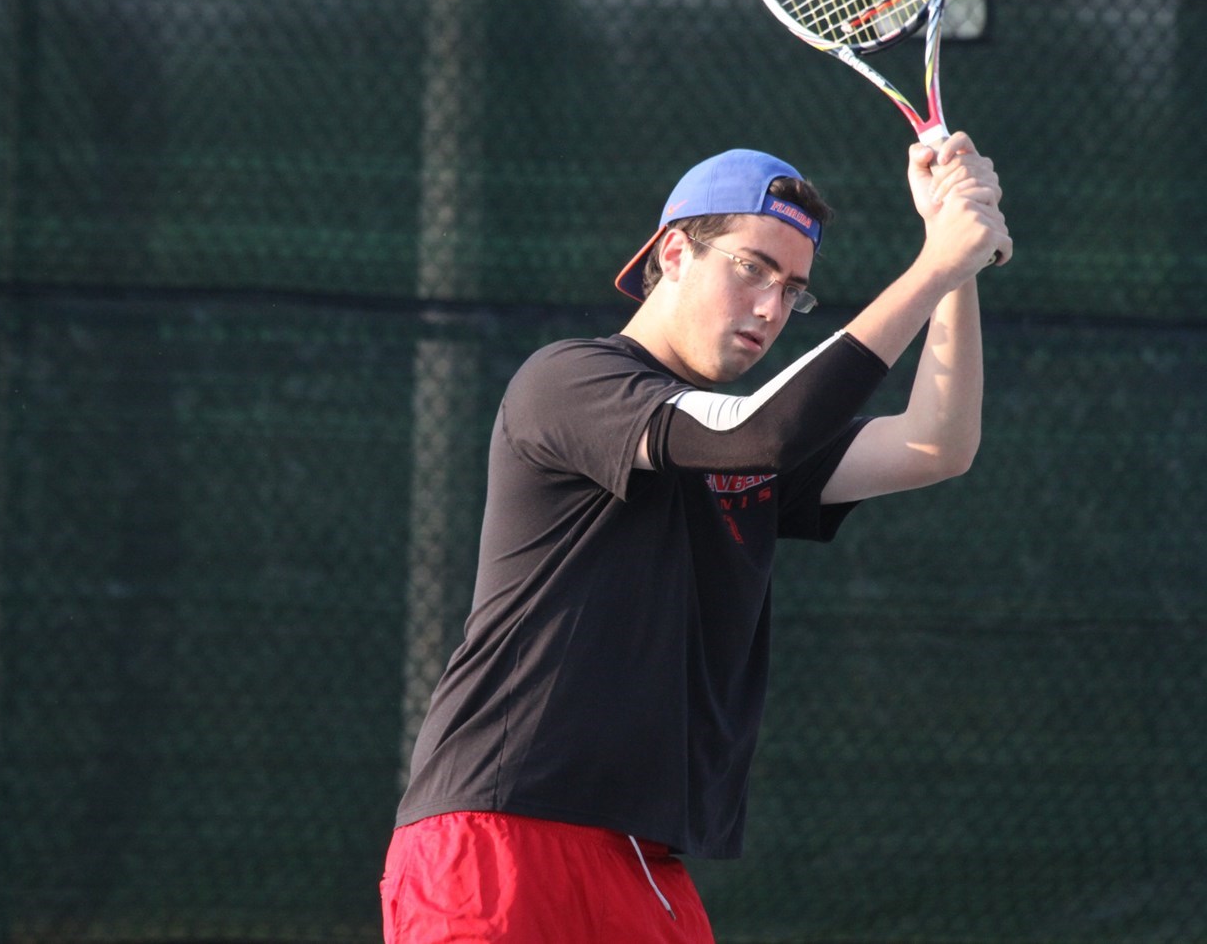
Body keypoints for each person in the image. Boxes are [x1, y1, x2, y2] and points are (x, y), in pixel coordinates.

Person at [381, 133, 1011, 943]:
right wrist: (932, 264)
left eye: (792, 290)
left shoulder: (737, 446)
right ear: (674, 252)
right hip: (499, 835)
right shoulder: (568, 379)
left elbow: (935, 444)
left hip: (640, 859)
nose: (771, 308)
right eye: (752, 268)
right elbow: (756, 434)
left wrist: (958, 261)